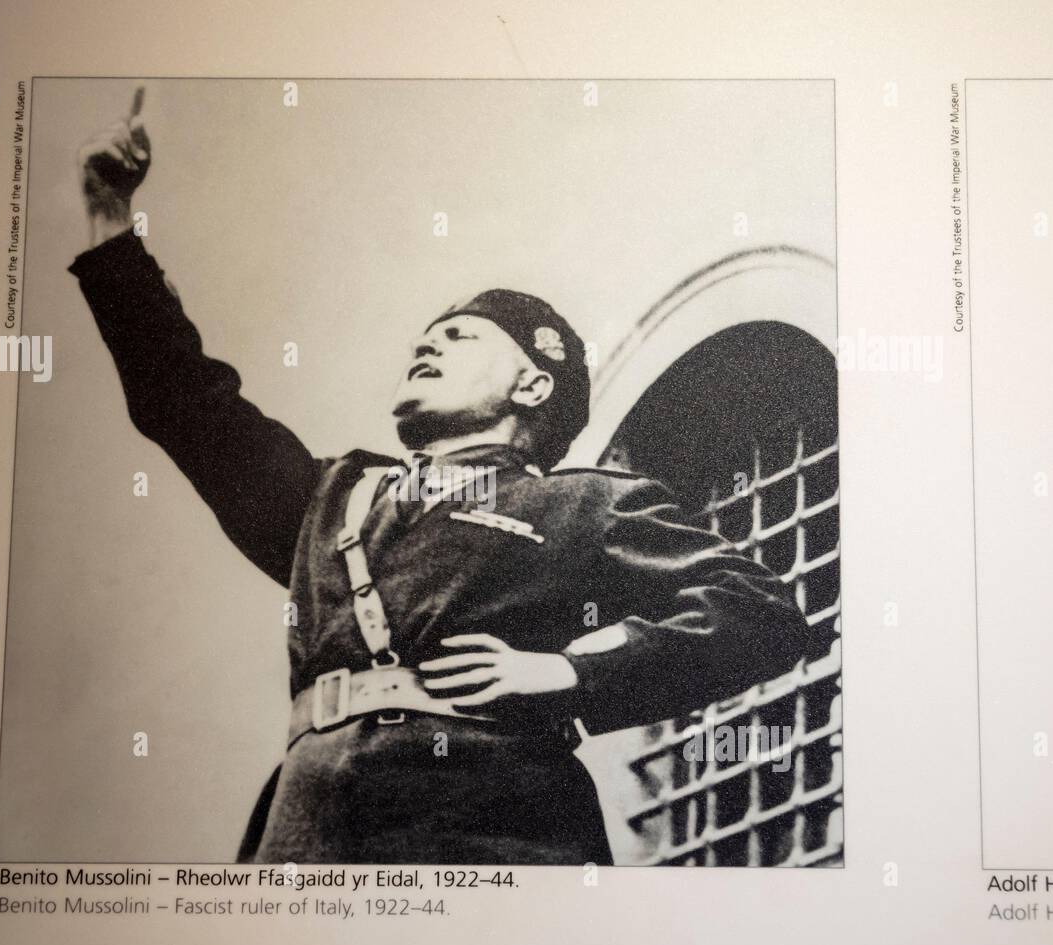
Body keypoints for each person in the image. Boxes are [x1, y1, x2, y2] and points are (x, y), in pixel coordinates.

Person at [67, 88, 810, 864]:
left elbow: (758, 610)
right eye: (427, 336)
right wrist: (109, 220)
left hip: (492, 830)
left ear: (533, 385)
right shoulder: (333, 502)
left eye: (461, 336)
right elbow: (186, 402)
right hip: (307, 835)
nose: (428, 345)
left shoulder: (582, 504)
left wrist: (565, 672)